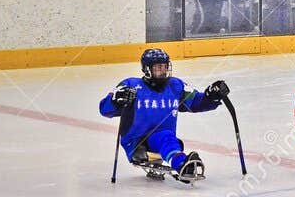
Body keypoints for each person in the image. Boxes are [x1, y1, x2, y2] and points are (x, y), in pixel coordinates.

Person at [97, 48, 227, 184]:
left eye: (165, 66)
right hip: (136, 141)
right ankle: (182, 165)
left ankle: (181, 161)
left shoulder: (175, 85)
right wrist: (115, 100)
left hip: (162, 138)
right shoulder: (131, 86)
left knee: (165, 137)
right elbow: (104, 110)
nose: (163, 71)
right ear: (147, 69)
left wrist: (211, 97)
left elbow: (195, 102)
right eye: (159, 67)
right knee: (166, 137)